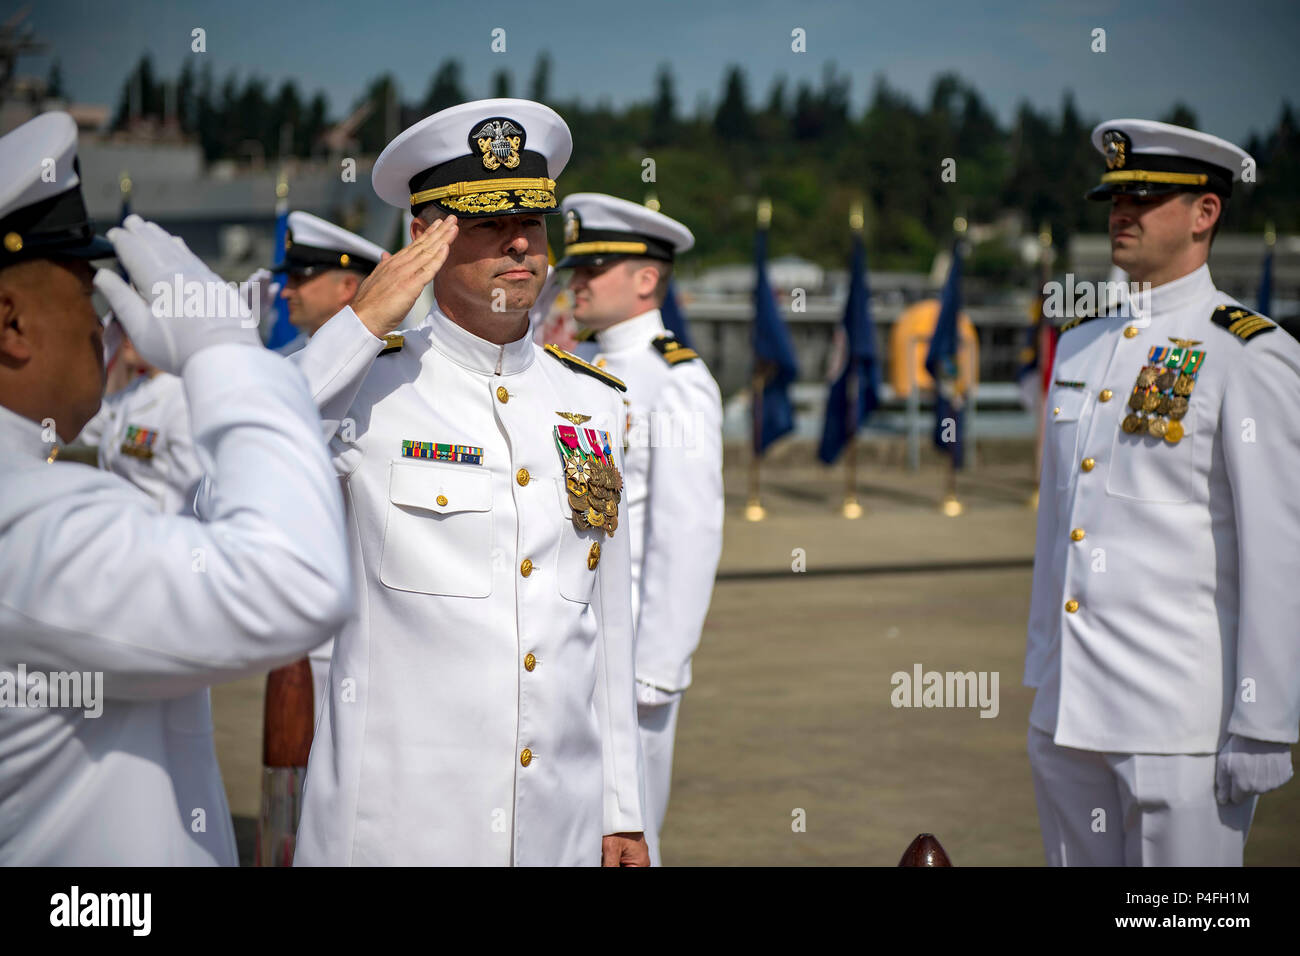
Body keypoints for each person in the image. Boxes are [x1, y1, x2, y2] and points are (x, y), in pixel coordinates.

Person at [290, 99, 647, 866]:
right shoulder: (360, 388)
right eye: (486, 224)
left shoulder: (596, 404)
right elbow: (229, 483)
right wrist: (354, 329)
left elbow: (607, 621)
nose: (519, 241)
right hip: (403, 827)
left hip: (557, 826)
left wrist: (623, 808)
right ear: (425, 239)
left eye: (532, 221)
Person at [0, 112, 354, 864]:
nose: (103, 321)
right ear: (9, 322)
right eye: (83, 288)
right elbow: (296, 583)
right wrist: (225, 350)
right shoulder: (26, 522)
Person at [1025, 118, 1300, 866]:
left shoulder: (1248, 352)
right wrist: (1043, 678)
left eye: (1145, 197)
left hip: (1178, 726)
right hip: (1070, 713)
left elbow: (1278, 550)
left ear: (1205, 213)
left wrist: (1264, 719)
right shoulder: (1081, 345)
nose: (1122, 212)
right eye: (1116, 197)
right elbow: (1061, 526)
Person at [560, 193, 723, 865]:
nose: (575, 283)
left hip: (629, 666)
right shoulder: (575, 371)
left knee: (623, 841)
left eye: (593, 267)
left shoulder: (673, 381)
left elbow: (687, 535)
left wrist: (656, 670)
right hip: (569, 648)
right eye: (574, 267)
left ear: (646, 279)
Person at [75, 331, 203, 514]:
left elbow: (189, 495)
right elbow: (78, 425)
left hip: (160, 534)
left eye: (137, 328)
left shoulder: (182, 400)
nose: (126, 338)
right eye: (123, 329)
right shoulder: (133, 391)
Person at [272, 211, 388, 357]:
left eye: (298, 279)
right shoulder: (284, 357)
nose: (285, 292)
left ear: (347, 287)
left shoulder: (377, 359)